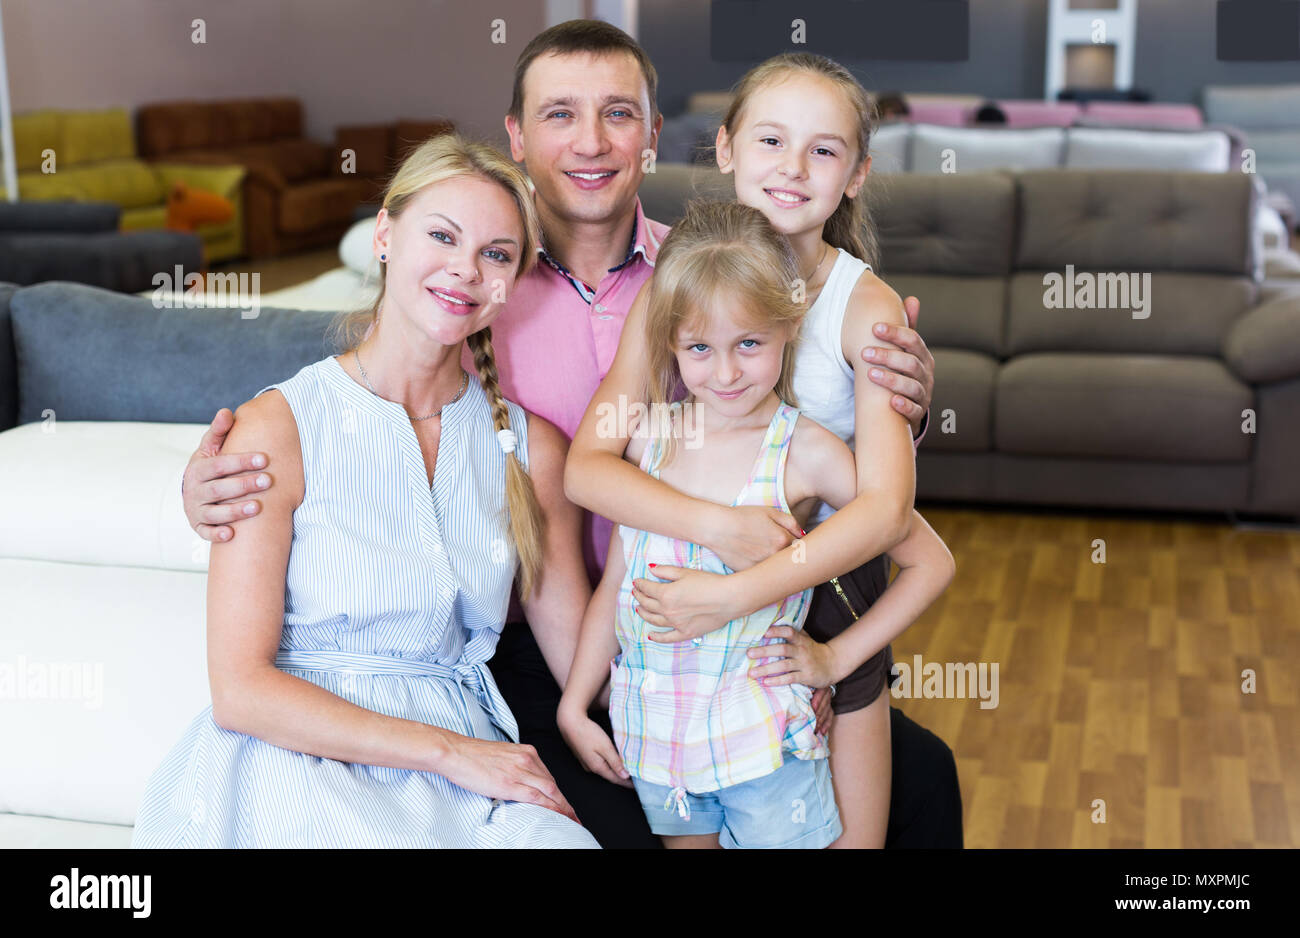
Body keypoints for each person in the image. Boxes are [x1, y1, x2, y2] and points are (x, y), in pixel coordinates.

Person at [179, 20, 959, 848]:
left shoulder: (711, 274)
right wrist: (203, 484)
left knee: (922, 778)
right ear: (517, 135)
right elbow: (344, 405)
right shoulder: (475, 282)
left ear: (655, 136)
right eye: (559, 114)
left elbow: (836, 443)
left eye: (618, 113)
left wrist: (899, 406)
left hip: (737, 621)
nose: (591, 141)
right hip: (533, 637)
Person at [133, 134, 598, 848]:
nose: (465, 270)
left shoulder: (532, 449)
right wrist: (450, 753)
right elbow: (241, 689)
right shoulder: (277, 427)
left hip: (471, 768)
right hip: (299, 753)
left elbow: (585, 670)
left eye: (496, 254)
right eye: (441, 235)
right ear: (385, 234)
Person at [566, 53, 960, 847]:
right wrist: (720, 533)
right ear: (725, 150)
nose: (792, 167)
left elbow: (887, 509)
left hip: (833, 584)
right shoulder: (689, 273)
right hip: (702, 600)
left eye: (823, 149)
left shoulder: (864, 306)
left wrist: (743, 593)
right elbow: (588, 467)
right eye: (771, 140)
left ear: (856, 174)